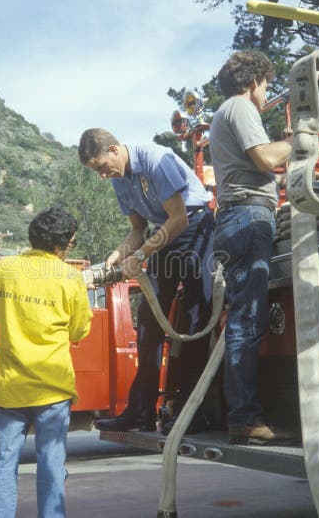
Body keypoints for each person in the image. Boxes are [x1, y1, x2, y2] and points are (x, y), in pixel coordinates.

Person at [78, 128, 214, 435]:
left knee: (195, 321)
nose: (102, 175)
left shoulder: (156, 159)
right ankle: (140, 411)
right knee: (148, 323)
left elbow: (180, 218)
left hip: (194, 229)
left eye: (101, 167)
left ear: (113, 150)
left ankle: (189, 412)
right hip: (163, 235)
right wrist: (118, 254)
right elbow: (138, 229)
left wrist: (140, 255)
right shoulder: (119, 178)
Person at [0, 206, 93, 518]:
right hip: (53, 388)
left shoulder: (4, 268)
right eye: (70, 243)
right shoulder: (70, 278)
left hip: (11, 386)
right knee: (50, 463)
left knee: (3, 462)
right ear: (61, 245)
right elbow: (79, 329)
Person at [209, 50, 293, 445]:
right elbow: (263, 159)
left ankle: (241, 414)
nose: (267, 93)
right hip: (248, 217)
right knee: (247, 320)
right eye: (266, 84)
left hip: (235, 219)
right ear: (254, 80)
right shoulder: (241, 107)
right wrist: (296, 143)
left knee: (243, 317)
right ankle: (244, 418)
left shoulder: (223, 112)